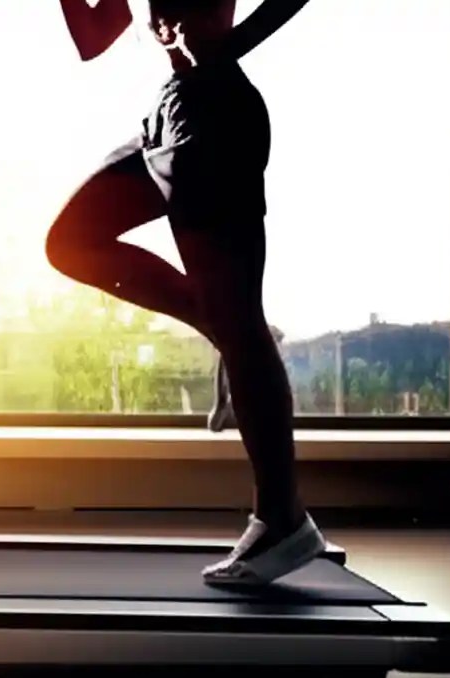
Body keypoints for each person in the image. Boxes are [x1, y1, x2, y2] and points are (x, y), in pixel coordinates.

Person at [47, 0, 323, 585]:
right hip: (171, 112)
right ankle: (231, 330)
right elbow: (97, 35)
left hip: (219, 111)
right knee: (71, 242)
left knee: (239, 319)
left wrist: (232, 42)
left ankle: (283, 520)